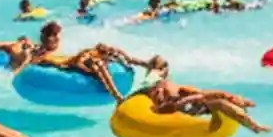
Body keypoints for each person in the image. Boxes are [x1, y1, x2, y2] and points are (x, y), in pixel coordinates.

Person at [21, 42, 168, 103]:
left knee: (110, 60)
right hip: (69, 65)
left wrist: (145, 64)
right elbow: (92, 69)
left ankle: (151, 64)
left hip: (81, 61)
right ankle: (118, 96)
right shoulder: (91, 58)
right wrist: (118, 97)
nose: (110, 58)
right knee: (99, 66)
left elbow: (127, 58)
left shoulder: (111, 52)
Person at [146, 80, 271, 133]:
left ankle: (237, 101)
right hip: (191, 108)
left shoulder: (179, 90)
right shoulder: (158, 96)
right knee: (218, 102)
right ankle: (254, 126)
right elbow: (164, 109)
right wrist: (183, 101)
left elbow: (199, 95)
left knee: (214, 96)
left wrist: (193, 97)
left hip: (199, 105)